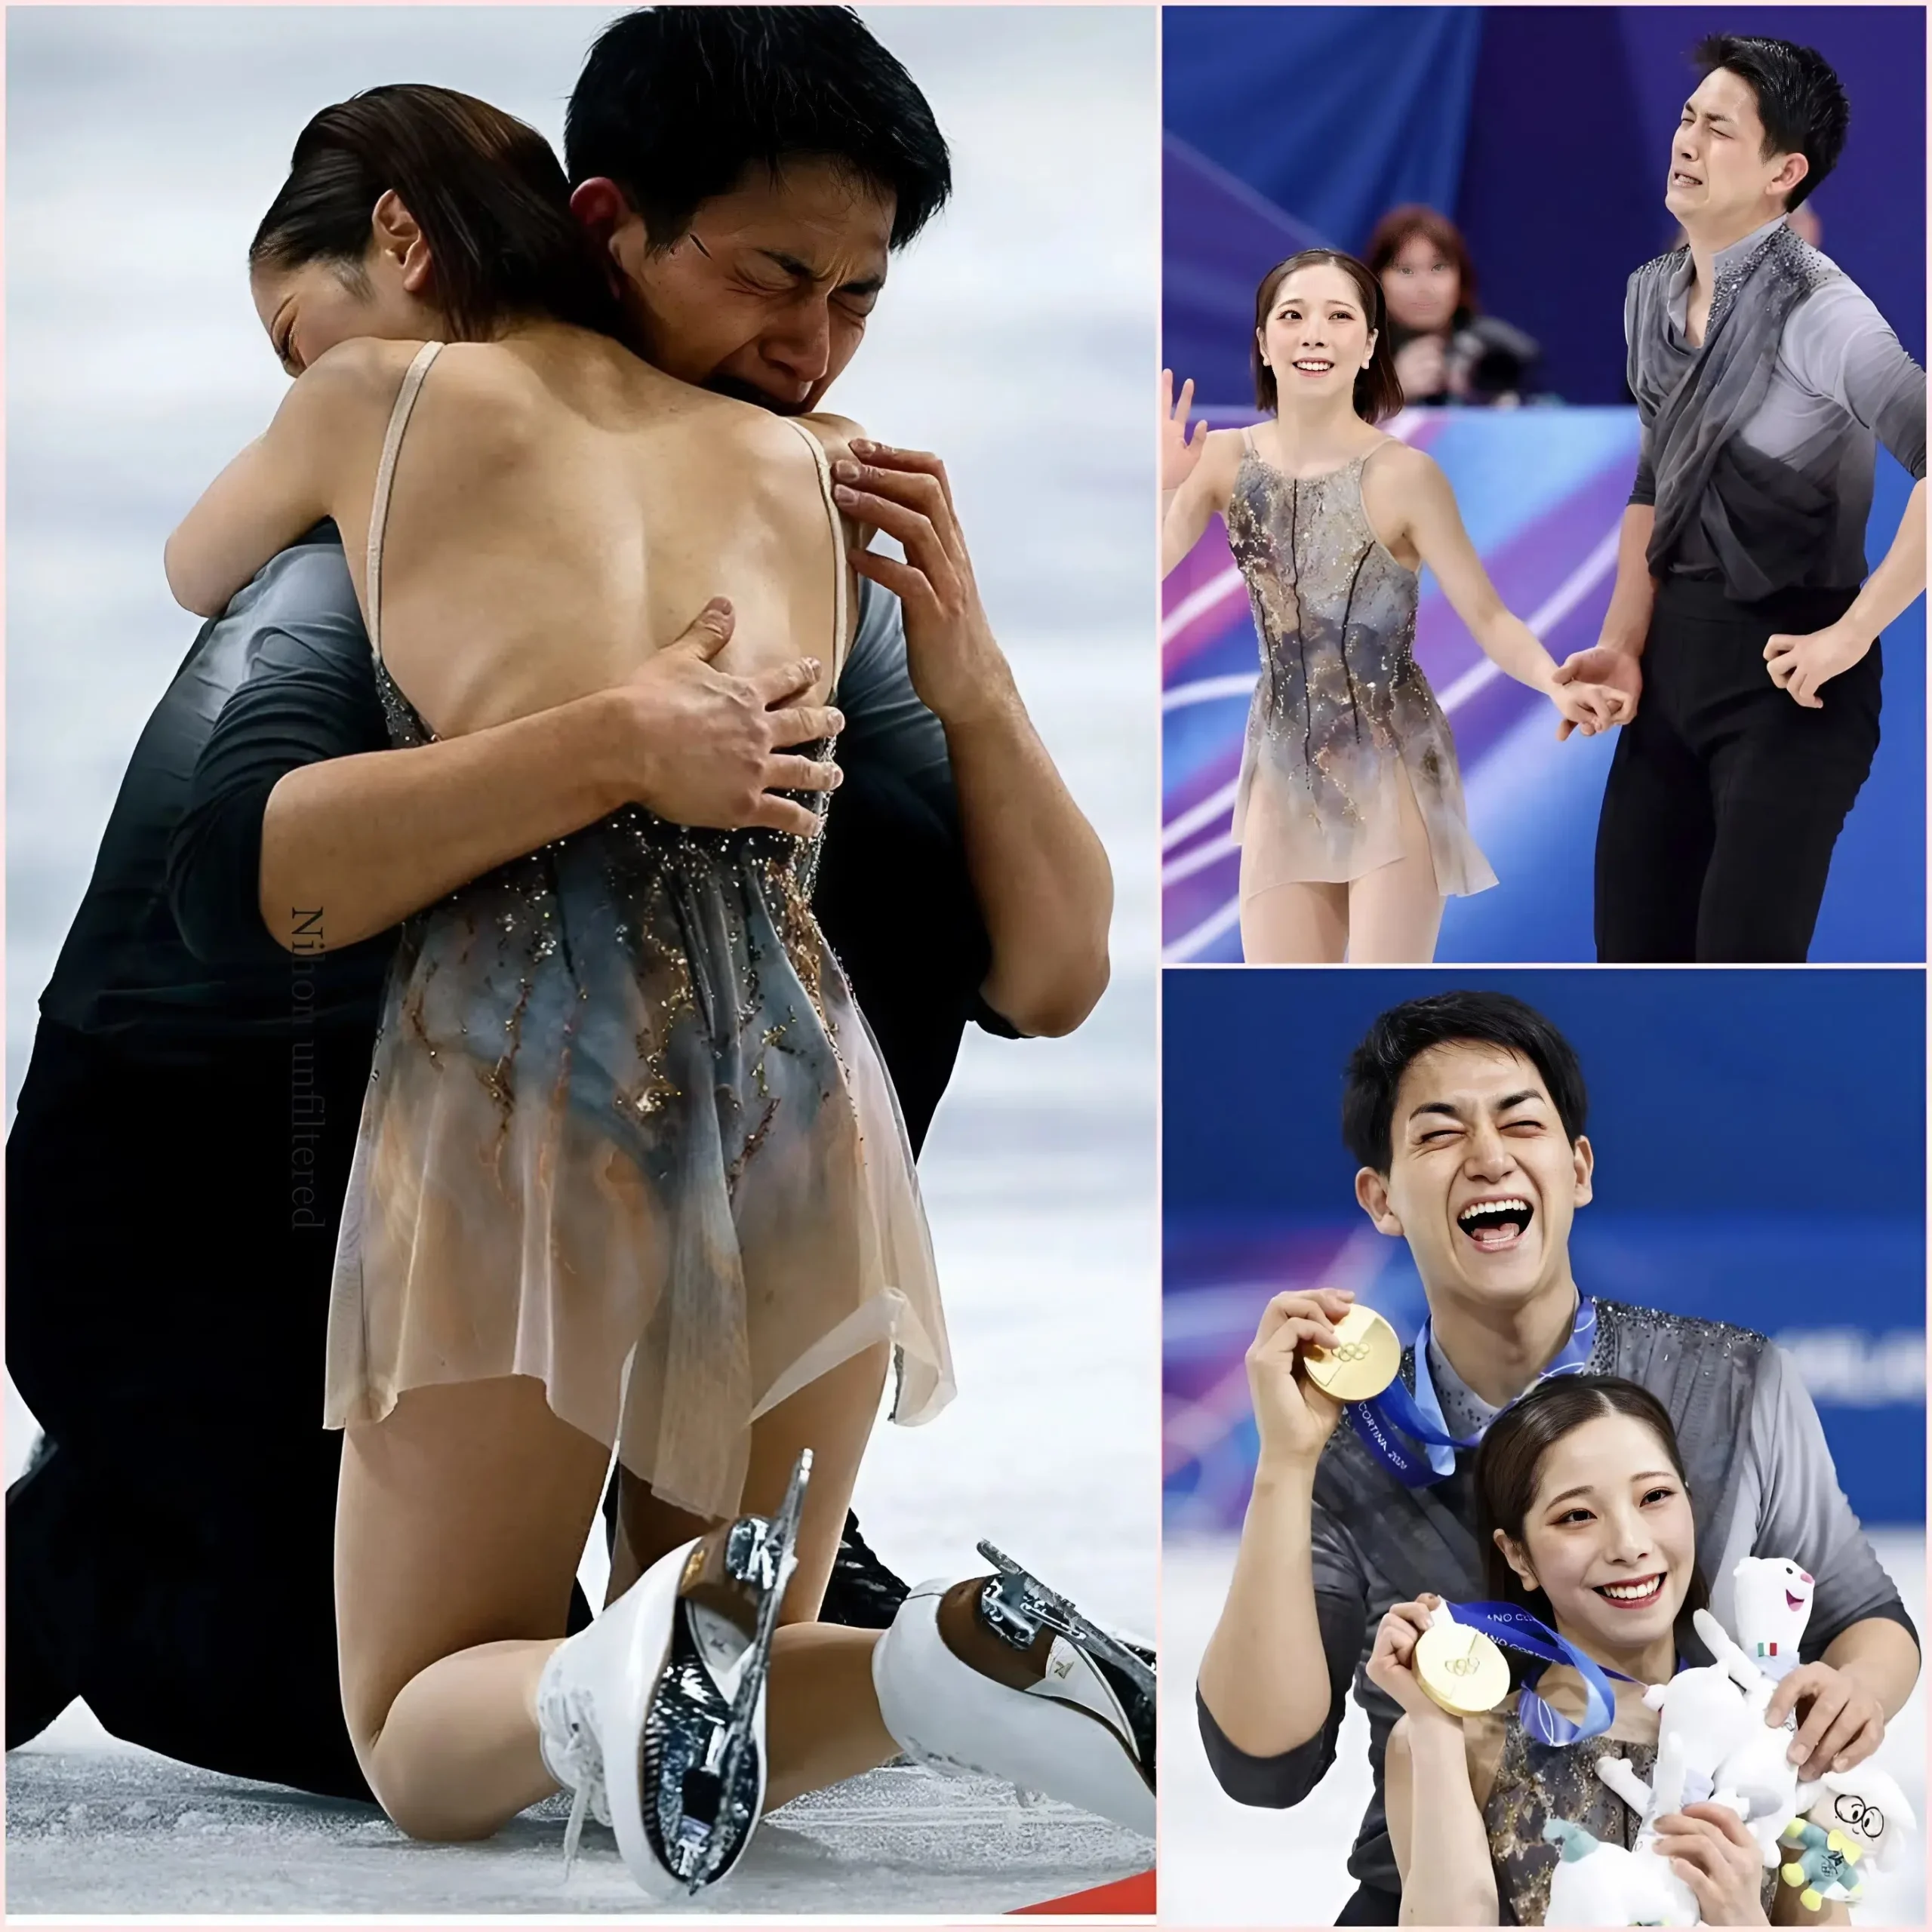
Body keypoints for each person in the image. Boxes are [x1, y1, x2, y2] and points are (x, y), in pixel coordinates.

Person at [6, 6, 1114, 1813]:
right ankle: (935, 1674)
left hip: (526, 1077)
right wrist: (628, 728)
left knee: (428, 1731)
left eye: (854, 299)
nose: (813, 340)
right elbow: (243, 882)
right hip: (702, 1114)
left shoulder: (399, 410)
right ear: (607, 225)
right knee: (690, 1663)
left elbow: (192, 563)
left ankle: (685, 1650)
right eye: (777, 277)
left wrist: (966, 678)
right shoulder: (802, 481)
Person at [1194, 990, 1918, 1925]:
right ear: (1378, 1198)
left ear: (1576, 1168)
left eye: (1521, 1121)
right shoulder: (1351, 1441)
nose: (1489, 1155)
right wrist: (1285, 1465)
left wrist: (1847, 1694)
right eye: (1439, 1133)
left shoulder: (1732, 1382)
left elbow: (1865, 1619)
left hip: (1715, 1892)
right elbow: (1262, 1760)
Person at [1555, 35, 1927, 961]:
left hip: (1790, 681)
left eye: (1718, 129)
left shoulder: (1822, 310)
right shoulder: (1648, 293)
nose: (1686, 139)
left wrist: (1851, 635)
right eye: (1688, 117)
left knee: (1738, 969)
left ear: (1783, 171)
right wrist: (1623, 644)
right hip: (1670, 670)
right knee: (1631, 967)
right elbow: (1654, 484)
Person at [1159, 251, 1623, 964]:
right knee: (1285, 1002)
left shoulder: (1408, 474)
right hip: (1282, 769)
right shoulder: (1218, 460)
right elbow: (1150, 567)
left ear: (1371, 342)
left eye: (1339, 316)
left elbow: (1489, 617)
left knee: (1379, 996)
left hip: (1392, 763)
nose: (1315, 334)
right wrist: (1167, 490)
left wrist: (1553, 679)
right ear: (1262, 341)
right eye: (1293, 316)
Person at [1372, 1376, 1837, 1927]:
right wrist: (1433, 1726)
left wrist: (1742, 1917)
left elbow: (1826, 1906)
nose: (1629, 1545)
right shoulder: (1456, 1744)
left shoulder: (1780, 1733)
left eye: (1655, 1497)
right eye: (1577, 1516)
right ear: (1517, 1555)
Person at [1364, 206, 1543, 409]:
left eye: (1438, 268)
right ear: (1376, 280)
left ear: (1461, 277)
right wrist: (1391, 394)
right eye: (1406, 270)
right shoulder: (1353, 354)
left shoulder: (1500, 351)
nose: (1425, 287)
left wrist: (1493, 400)